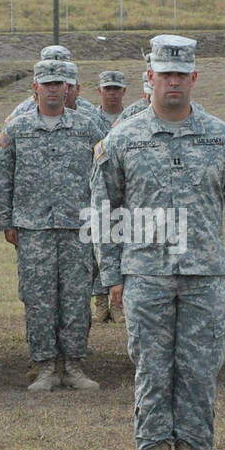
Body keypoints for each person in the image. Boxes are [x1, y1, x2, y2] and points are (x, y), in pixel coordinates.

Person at [91, 35, 225, 450]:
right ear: (150, 80)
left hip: (205, 276)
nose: (174, 82)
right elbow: (105, 211)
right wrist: (112, 276)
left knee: (200, 369)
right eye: (165, 74)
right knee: (152, 369)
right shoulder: (124, 137)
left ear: (194, 78)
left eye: (182, 74)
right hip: (146, 275)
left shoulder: (221, 137)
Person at [0, 60, 106, 392]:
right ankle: (44, 366)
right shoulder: (18, 127)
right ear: (35, 88)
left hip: (78, 228)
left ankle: (72, 365)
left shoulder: (88, 128)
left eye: (59, 83)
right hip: (33, 228)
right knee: (39, 298)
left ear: (68, 88)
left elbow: (106, 174)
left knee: (76, 297)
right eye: (47, 83)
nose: (54, 88)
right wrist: (7, 220)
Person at [92, 71, 129, 323]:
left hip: (122, 194)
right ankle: (99, 300)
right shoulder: (90, 119)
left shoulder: (129, 119)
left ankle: (118, 303)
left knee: (120, 243)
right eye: (108, 88)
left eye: (116, 88)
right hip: (95, 191)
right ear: (99, 91)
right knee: (96, 247)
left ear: (124, 91)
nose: (112, 93)